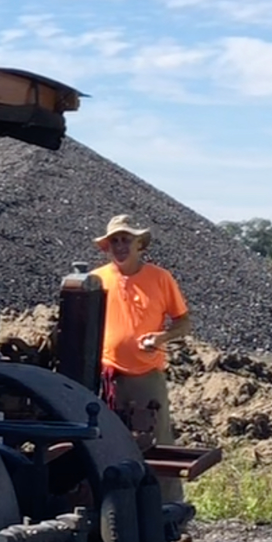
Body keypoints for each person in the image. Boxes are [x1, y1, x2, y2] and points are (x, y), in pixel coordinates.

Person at [90, 214, 191, 503]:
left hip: (146, 376)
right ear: (107, 247)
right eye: (115, 241)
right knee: (110, 443)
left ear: (139, 244)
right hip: (107, 377)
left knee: (157, 443)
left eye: (126, 240)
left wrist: (161, 338)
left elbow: (183, 322)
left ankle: (170, 511)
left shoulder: (160, 278)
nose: (120, 246)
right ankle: (118, 510)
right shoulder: (98, 279)